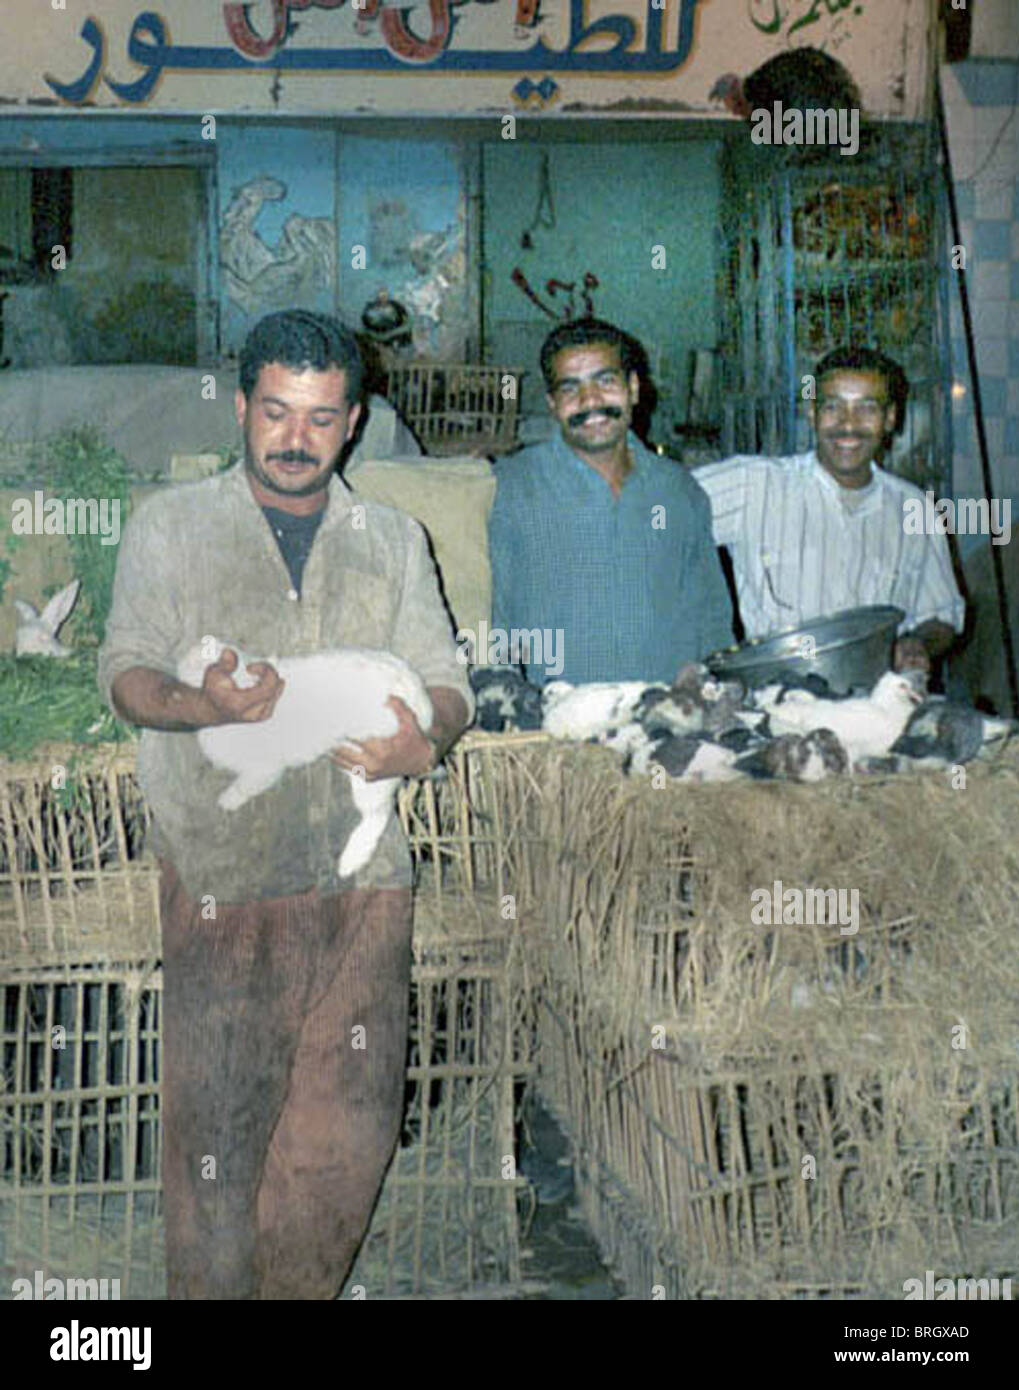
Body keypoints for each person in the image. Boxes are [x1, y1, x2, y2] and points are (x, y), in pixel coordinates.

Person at [97, 309, 472, 1300]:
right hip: (225, 878)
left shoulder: (391, 537)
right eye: (275, 412)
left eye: (318, 416)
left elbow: (446, 676)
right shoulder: (170, 526)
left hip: (363, 886)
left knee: (345, 1139)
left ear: (351, 422)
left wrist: (419, 738)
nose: (294, 438)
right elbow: (126, 669)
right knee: (217, 1143)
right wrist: (199, 704)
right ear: (241, 408)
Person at [488, 318, 733, 685]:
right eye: (571, 389)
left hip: (666, 719)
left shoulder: (678, 490)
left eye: (605, 381)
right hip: (555, 725)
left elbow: (712, 617)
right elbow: (494, 618)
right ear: (553, 404)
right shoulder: (510, 488)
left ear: (633, 388)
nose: (591, 401)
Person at [693, 346, 965, 673]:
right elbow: (659, 512)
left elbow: (943, 614)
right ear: (812, 412)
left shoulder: (915, 511)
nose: (848, 425)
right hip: (776, 704)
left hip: (875, 707)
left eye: (867, 408)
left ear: (891, 417)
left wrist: (917, 643)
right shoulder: (753, 485)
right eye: (833, 406)